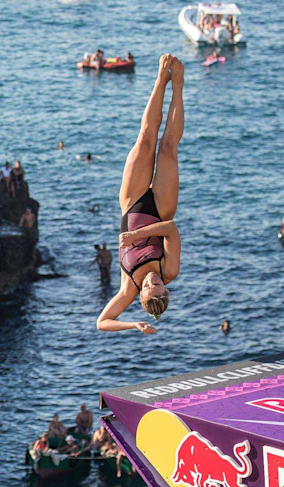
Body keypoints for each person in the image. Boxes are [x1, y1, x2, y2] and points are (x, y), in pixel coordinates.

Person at [98, 55, 184, 333]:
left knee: (146, 136)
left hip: (131, 203)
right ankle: (178, 85)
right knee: (168, 146)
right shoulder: (169, 270)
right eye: (157, 286)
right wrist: (135, 237)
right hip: (161, 208)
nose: (151, 282)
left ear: (141, 296)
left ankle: (161, 79)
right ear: (166, 290)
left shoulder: (128, 287)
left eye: (148, 288)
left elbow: (102, 323)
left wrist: (132, 324)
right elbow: (171, 230)